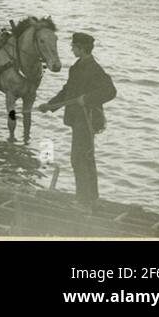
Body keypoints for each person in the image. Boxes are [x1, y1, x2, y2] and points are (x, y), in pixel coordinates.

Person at [39, 32, 116, 209]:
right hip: (78, 119)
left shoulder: (94, 68)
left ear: (82, 49)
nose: (71, 48)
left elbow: (111, 91)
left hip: (87, 119)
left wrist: (87, 99)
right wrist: (50, 105)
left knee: (79, 158)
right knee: (85, 157)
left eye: (74, 46)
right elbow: (68, 91)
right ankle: (91, 198)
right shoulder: (77, 67)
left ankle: (83, 201)